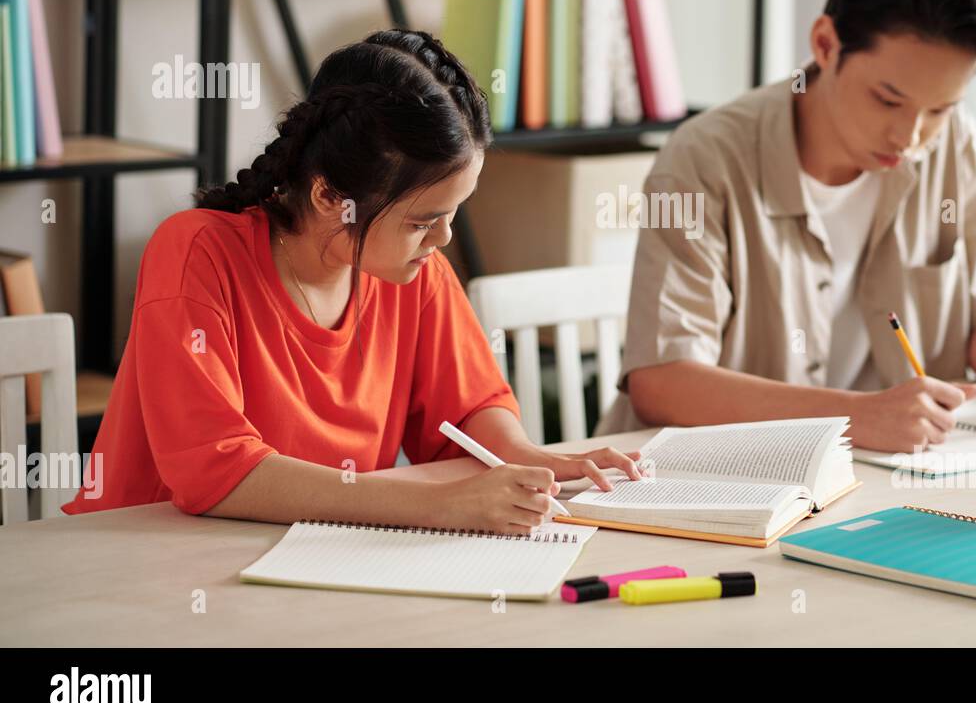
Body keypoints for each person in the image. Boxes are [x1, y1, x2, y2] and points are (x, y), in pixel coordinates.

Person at [64, 30, 639, 532]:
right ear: (330, 196)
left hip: (302, 560)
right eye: (422, 221)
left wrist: (519, 457)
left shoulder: (415, 272)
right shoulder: (195, 252)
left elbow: (464, 411)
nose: (442, 241)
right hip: (140, 562)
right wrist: (435, 503)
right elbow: (213, 473)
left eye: (452, 214)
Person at [601, 0, 976, 450]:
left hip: (877, 479)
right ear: (826, 44)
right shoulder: (703, 160)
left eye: (941, 108)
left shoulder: (955, 143)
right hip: (704, 486)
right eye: (886, 99)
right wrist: (854, 418)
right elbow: (662, 382)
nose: (910, 135)